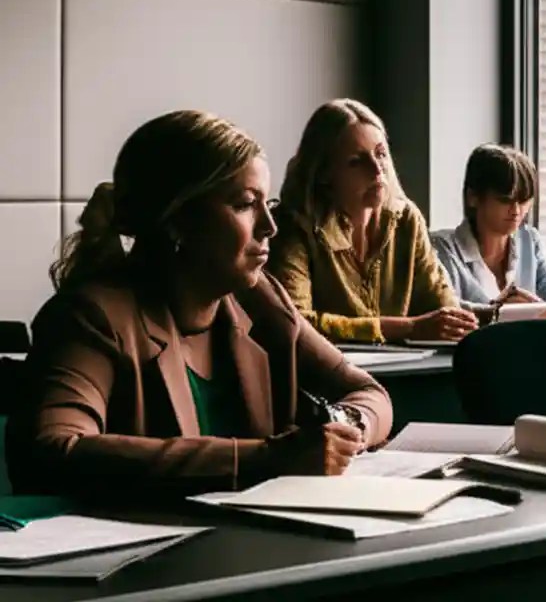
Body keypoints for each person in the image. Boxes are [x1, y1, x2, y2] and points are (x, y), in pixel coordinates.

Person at [6, 111, 392, 497]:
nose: (270, 227)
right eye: (245, 204)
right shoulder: (92, 316)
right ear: (177, 221)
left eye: (267, 203)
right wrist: (266, 459)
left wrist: (345, 427)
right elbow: (53, 450)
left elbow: (369, 392)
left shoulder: (260, 301)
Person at [269, 99, 477, 343]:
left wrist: (460, 321)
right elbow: (296, 322)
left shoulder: (406, 220)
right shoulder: (295, 225)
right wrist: (408, 328)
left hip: (407, 364)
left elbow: (443, 306)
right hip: (325, 366)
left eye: (381, 154)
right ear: (324, 173)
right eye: (356, 161)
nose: (377, 170)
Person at [431, 144, 546, 311]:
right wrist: (501, 311)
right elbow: (447, 310)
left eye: (524, 201)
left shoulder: (530, 242)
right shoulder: (442, 249)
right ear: (473, 197)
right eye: (505, 200)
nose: (516, 211)